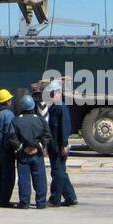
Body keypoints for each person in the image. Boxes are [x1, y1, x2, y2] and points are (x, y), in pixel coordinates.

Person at [14, 94, 52, 209]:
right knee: (40, 178)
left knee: (24, 179)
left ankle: (24, 202)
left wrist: (21, 147)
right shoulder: (40, 120)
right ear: (32, 106)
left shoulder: (16, 121)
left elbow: (11, 136)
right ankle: (41, 203)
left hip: (23, 154)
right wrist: (39, 146)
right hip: (37, 154)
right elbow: (47, 135)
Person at [45, 78, 78, 207]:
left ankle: (55, 199)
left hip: (59, 146)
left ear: (59, 93)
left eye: (52, 94)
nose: (51, 96)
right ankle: (70, 197)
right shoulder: (54, 108)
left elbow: (65, 128)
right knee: (60, 172)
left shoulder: (60, 108)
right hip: (54, 146)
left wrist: (64, 145)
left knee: (57, 173)